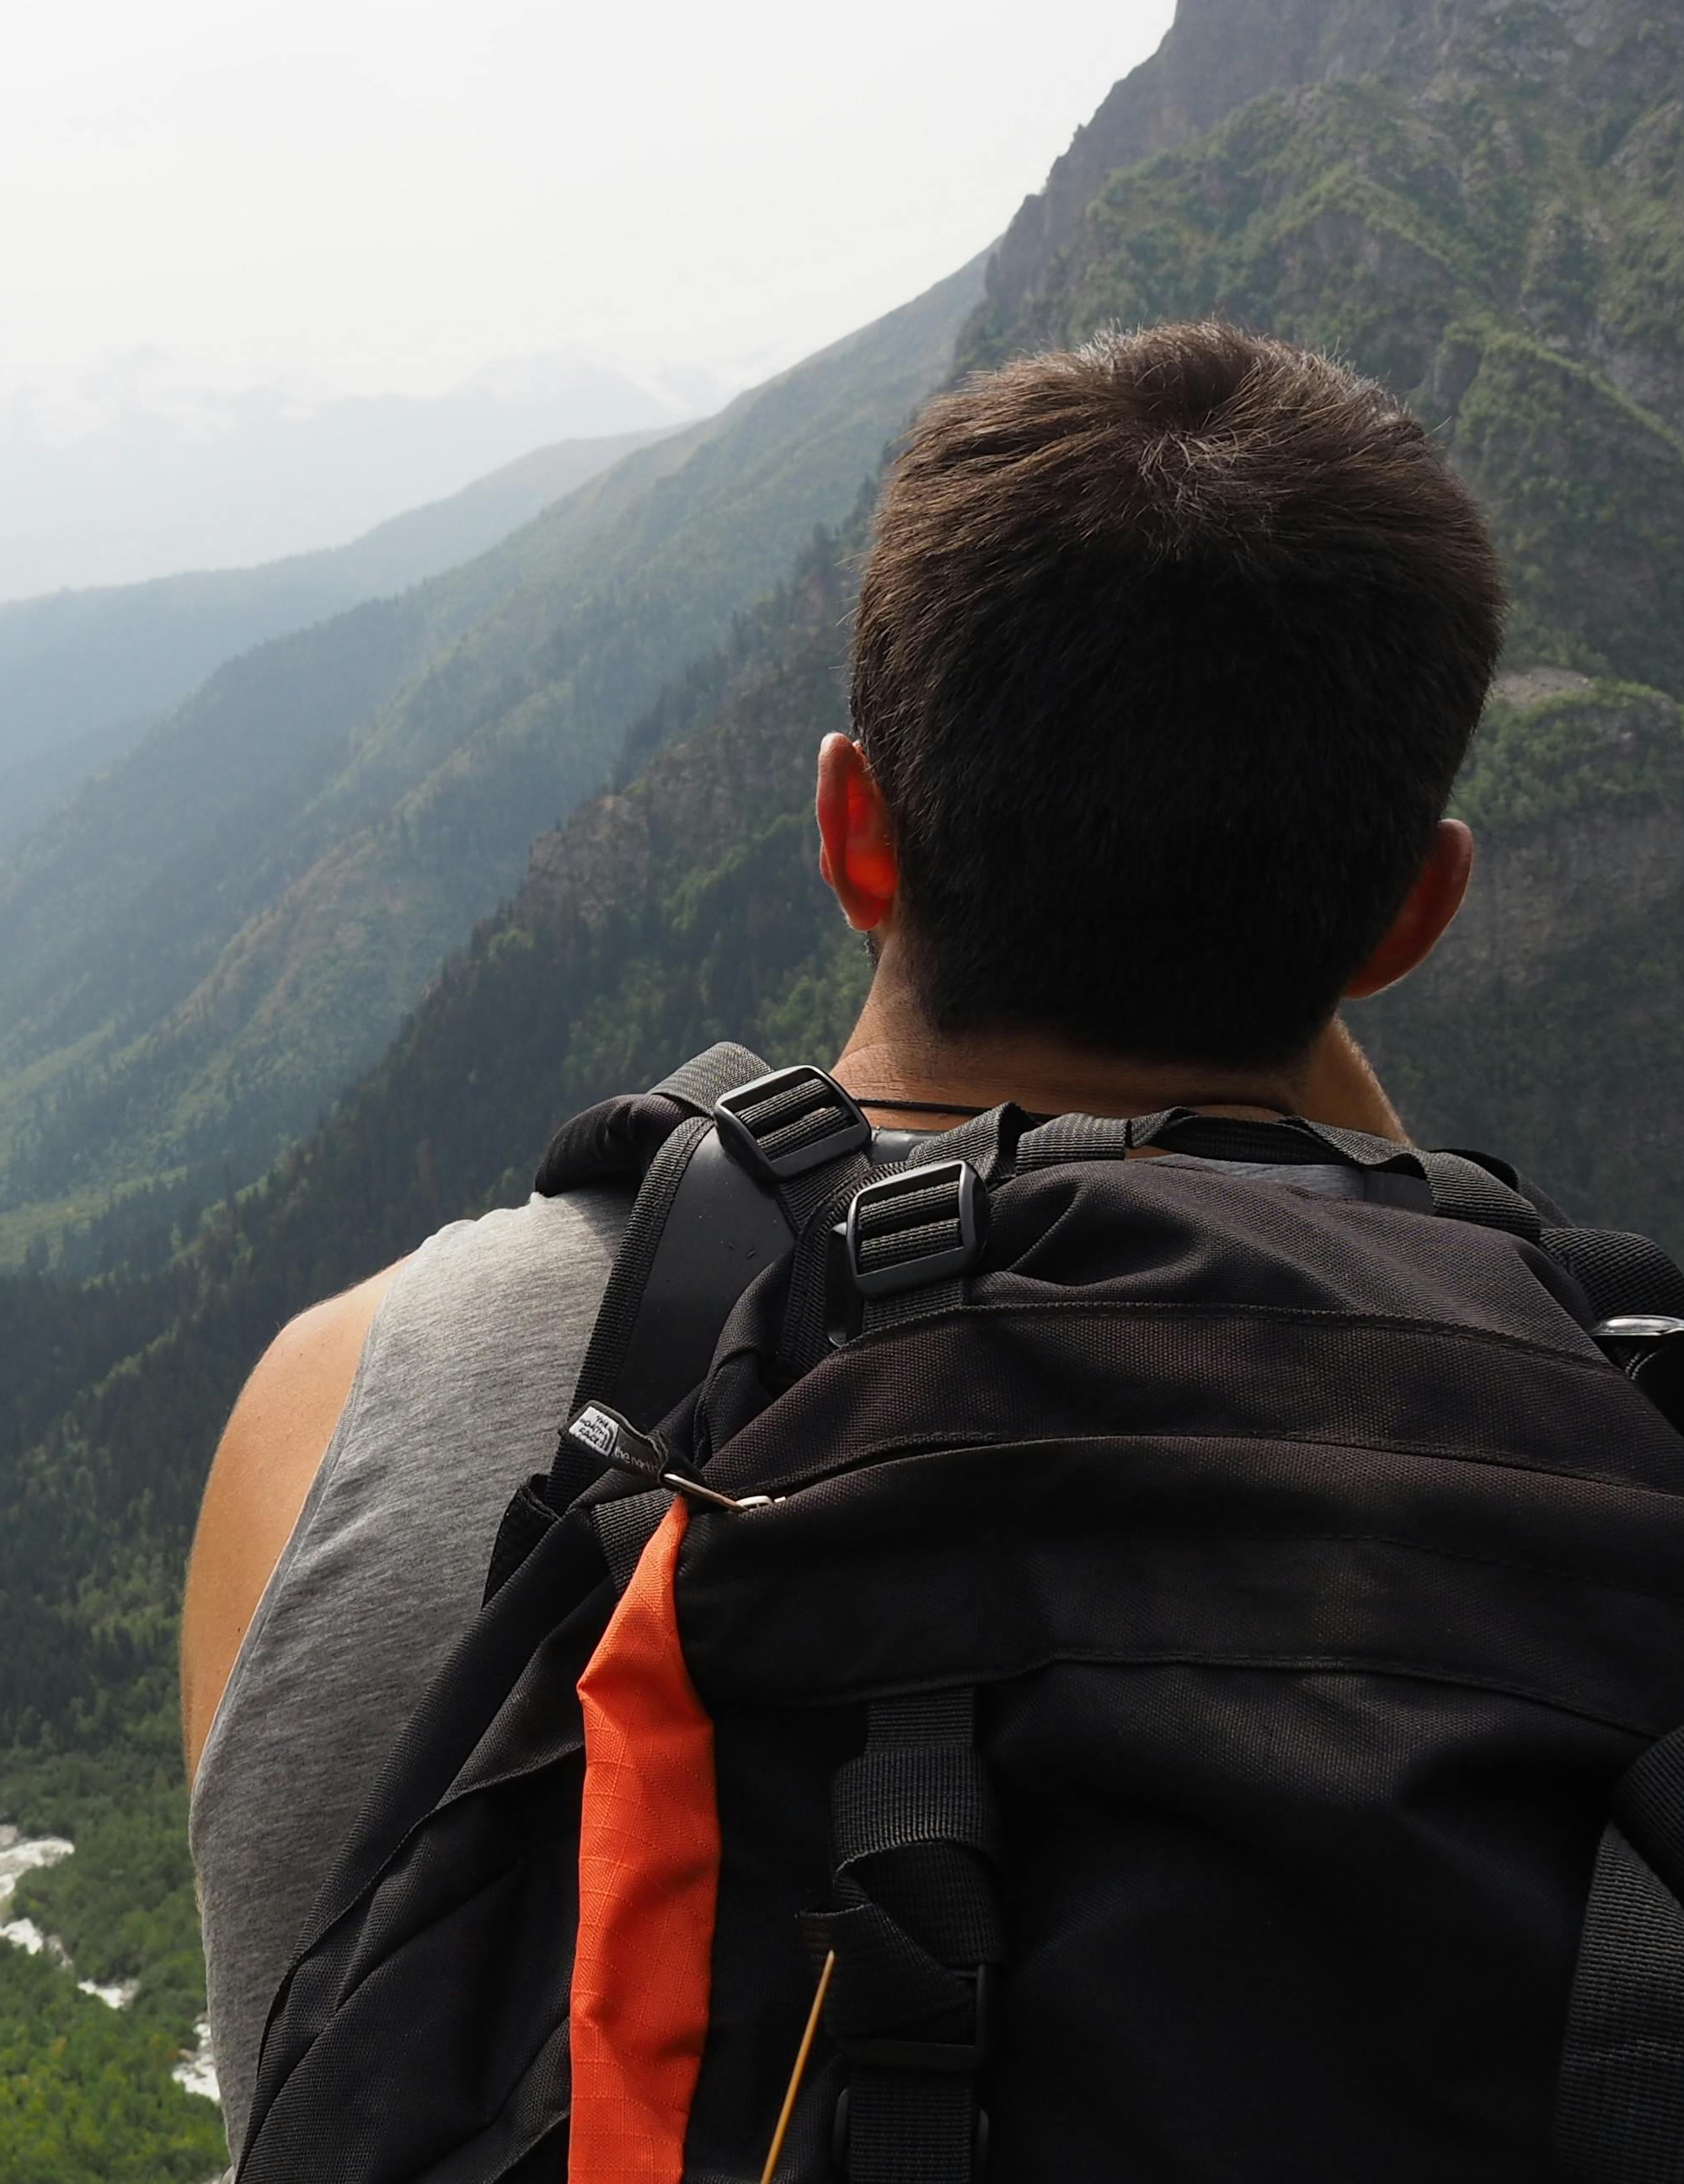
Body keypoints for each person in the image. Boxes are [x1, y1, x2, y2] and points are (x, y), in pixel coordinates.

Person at [179, 319, 1503, 2148]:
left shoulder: (351, 1402)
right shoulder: (1603, 1436)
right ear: (1416, 913)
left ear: (849, 828)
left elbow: (315, 2093)